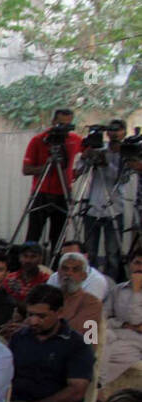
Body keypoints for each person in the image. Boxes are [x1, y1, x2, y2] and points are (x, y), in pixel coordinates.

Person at [7, 285, 94, 402]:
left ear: (59, 312)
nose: (33, 321)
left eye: (41, 316)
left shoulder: (76, 345)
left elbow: (76, 391)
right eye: (30, 314)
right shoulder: (19, 338)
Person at [74, 119, 129, 281]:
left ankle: (112, 285)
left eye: (118, 130)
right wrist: (85, 157)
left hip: (114, 208)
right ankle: (89, 282)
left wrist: (105, 163)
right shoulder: (99, 149)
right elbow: (79, 172)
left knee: (112, 254)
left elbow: (121, 179)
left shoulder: (125, 154)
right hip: (92, 207)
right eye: (111, 130)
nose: (114, 133)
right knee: (89, 253)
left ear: (124, 133)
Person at [23, 107, 83, 251]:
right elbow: (26, 169)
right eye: (60, 124)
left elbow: (87, 155)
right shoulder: (38, 140)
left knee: (58, 238)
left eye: (67, 125)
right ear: (53, 121)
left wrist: (76, 172)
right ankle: (27, 264)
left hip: (63, 193)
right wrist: (48, 166)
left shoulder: (74, 139)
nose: (63, 129)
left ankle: (56, 268)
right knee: (33, 236)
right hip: (41, 193)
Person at [103, 248, 142, 385]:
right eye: (137, 263)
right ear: (130, 264)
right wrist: (121, 324)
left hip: (136, 341)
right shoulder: (118, 289)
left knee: (110, 354)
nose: (140, 268)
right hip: (114, 333)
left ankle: (97, 383)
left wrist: (136, 291)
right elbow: (103, 318)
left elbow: (135, 320)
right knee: (93, 340)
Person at [52, 251, 103, 340]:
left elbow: (89, 338)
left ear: (84, 276)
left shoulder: (92, 303)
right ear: (58, 273)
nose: (68, 273)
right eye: (65, 269)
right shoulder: (48, 297)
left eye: (75, 270)